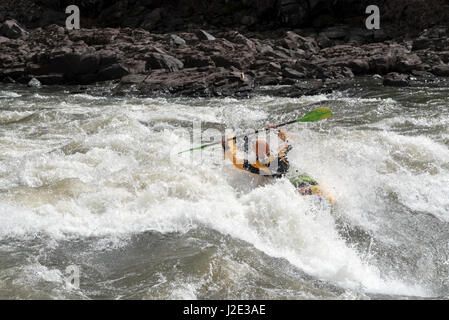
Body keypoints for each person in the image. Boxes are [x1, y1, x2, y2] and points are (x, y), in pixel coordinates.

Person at [221, 125, 293, 178]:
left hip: (271, 177)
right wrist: (277, 131)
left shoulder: (255, 164)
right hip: (285, 173)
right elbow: (290, 141)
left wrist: (226, 146)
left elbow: (235, 161)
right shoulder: (280, 152)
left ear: (257, 153)